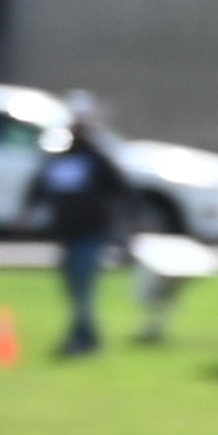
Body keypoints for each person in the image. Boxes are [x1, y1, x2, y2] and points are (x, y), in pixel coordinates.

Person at [41, 93, 139, 358]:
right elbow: (42, 188)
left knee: (83, 288)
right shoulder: (60, 159)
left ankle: (80, 339)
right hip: (67, 236)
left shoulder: (97, 160)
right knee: (73, 288)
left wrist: (127, 229)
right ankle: (88, 337)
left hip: (91, 234)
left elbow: (122, 192)